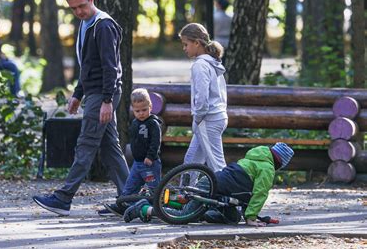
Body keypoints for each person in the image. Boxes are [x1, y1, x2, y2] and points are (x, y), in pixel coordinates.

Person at [33, 0, 129, 216]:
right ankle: (130, 199)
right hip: (95, 92)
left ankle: (63, 198)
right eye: (73, 9)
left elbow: (111, 68)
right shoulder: (87, 25)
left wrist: (107, 100)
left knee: (86, 144)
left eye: (81, 6)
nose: (78, 12)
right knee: (109, 147)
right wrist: (77, 94)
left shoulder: (103, 26)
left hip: (103, 93)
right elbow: (88, 66)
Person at [123, 142, 295, 227]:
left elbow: (245, 194)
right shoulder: (267, 169)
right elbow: (259, 193)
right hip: (215, 188)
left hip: (217, 186)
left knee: (232, 218)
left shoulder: (254, 158)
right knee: (184, 215)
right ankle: (145, 208)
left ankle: (184, 206)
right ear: (280, 164)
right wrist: (250, 217)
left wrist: (250, 214)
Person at [102, 88, 162, 216]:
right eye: (137, 111)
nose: (141, 113)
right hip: (137, 164)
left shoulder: (153, 123)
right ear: (132, 109)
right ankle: (123, 204)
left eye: (144, 110)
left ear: (150, 106)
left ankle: (158, 209)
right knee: (129, 186)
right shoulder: (135, 122)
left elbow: (155, 142)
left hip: (150, 164)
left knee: (154, 188)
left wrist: (150, 156)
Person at [179, 23, 227, 173]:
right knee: (191, 160)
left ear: (197, 43)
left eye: (186, 44)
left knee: (216, 164)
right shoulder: (213, 63)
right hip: (215, 116)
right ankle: (186, 192)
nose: (184, 48)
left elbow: (202, 98)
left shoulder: (200, 65)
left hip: (208, 119)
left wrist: (197, 118)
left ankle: (228, 195)